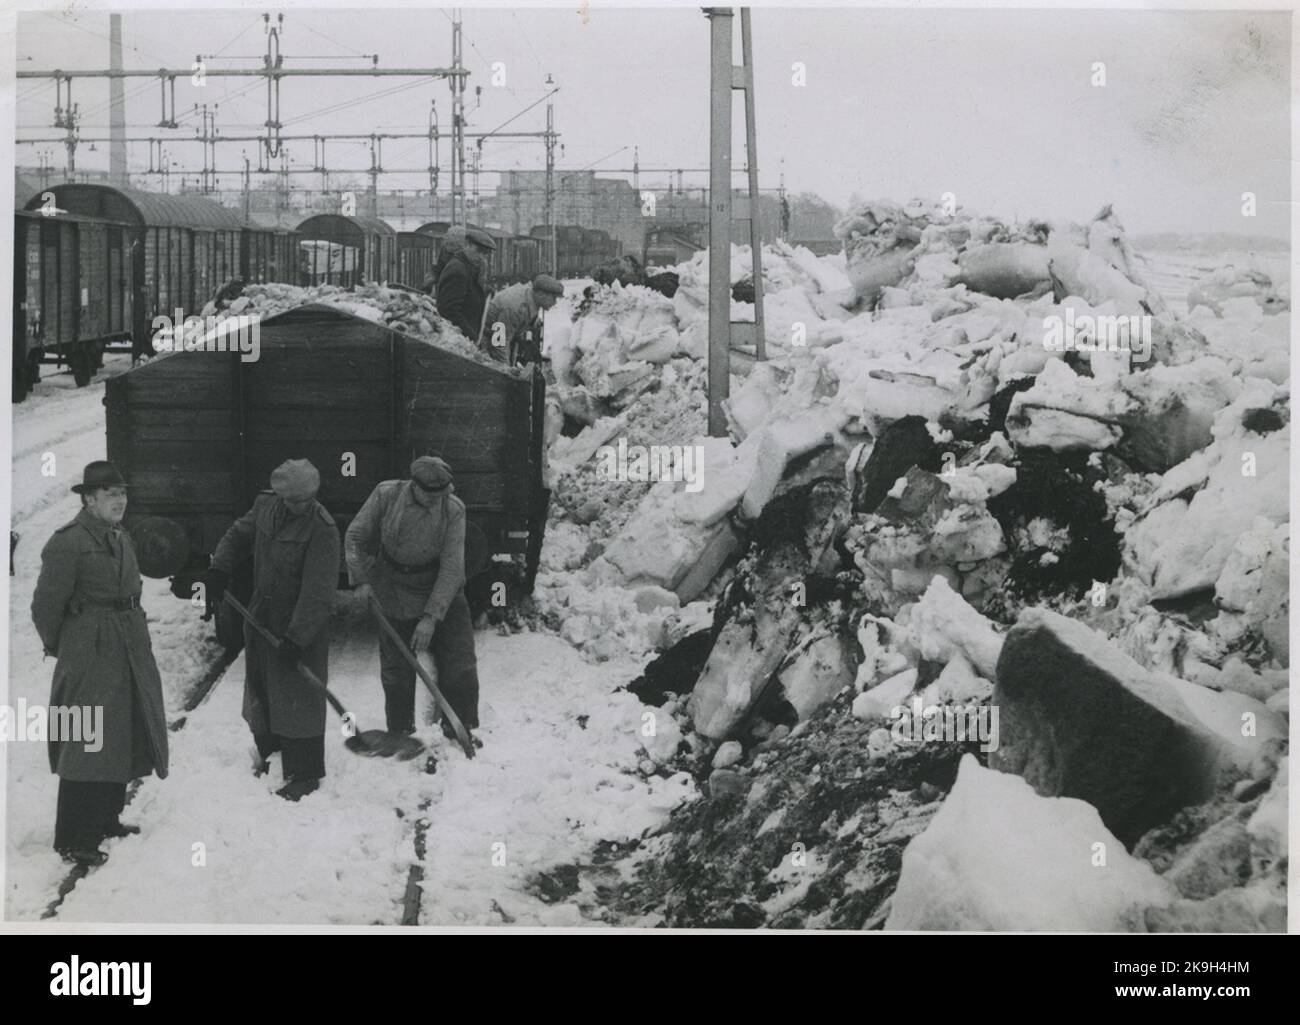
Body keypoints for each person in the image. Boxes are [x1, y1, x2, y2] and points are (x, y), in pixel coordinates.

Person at [31, 461, 170, 867]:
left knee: (120, 732)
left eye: (122, 494)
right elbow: (45, 607)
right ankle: (74, 837)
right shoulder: (68, 542)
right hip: (90, 650)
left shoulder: (119, 535)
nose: (120, 501)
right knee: (85, 738)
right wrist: (67, 647)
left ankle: (107, 820)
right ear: (89, 499)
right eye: (111, 494)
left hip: (126, 644)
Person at [204, 459, 340, 801]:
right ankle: (271, 753)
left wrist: (297, 638)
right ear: (281, 496)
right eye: (294, 501)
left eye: (307, 499)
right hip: (261, 613)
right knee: (262, 684)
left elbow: (318, 593)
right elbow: (238, 534)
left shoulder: (322, 528)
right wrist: (219, 567)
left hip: (298, 620)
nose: (301, 506)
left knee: (299, 695)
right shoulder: (265, 505)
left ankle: (305, 774)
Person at [344, 456, 481, 746]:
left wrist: (431, 617)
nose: (436, 501)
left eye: (442, 495)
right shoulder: (386, 494)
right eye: (431, 496)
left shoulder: (453, 509)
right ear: (414, 486)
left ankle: (462, 727)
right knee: (397, 668)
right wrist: (362, 579)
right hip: (393, 585)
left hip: (440, 585)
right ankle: (400, 732)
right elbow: (355, 536)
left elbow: (452, 567)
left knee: (460, 661)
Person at [481, 274, 564, 365]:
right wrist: (506, 370)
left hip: (504, 336)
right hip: (485, 341)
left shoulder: (531, 297)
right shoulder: (515, 307)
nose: (555, 303)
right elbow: (499, 344)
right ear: (541, 294)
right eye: (554, 298)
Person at [435, 227, 496, 342]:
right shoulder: (458, 270)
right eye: (479, 251)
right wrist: (472, 337)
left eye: (485, 254)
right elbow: (449, 311)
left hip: (463, 337)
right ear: (467, 245)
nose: (482, 257)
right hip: (457, 340)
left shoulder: (468, 267)